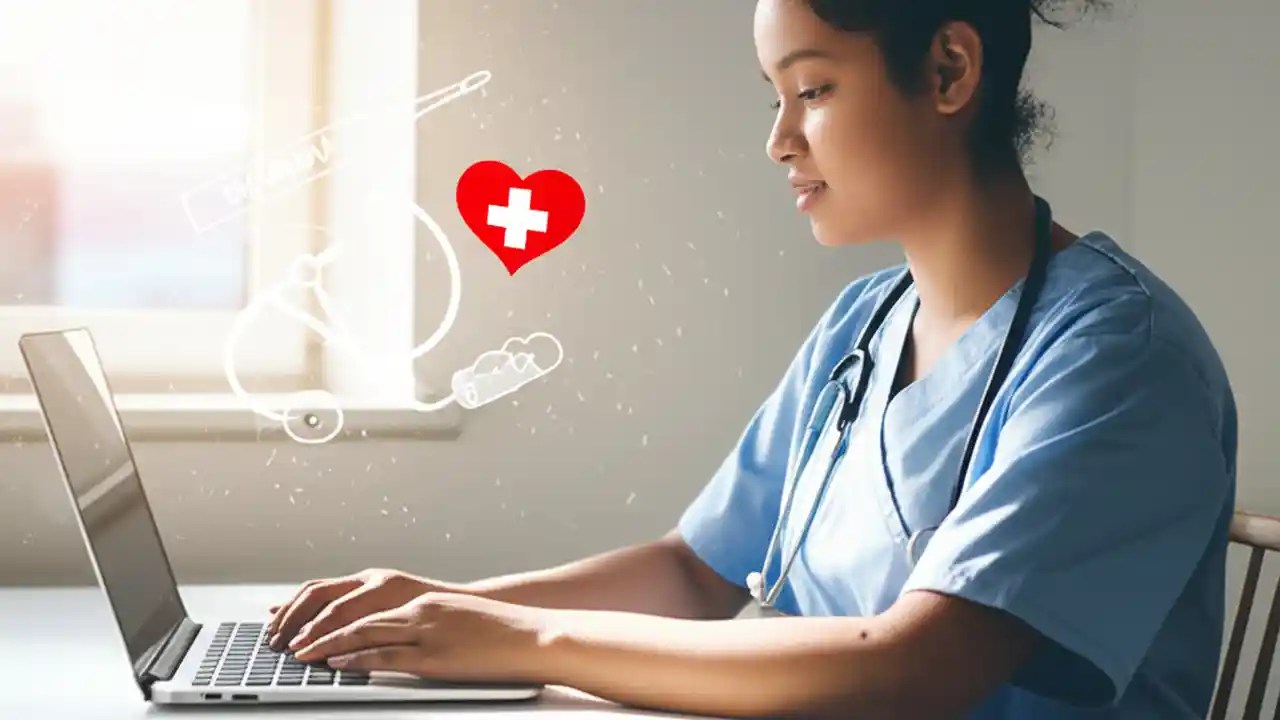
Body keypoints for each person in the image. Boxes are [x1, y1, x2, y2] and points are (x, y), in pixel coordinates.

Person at [265, 0, 1238, 717]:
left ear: (948, 71)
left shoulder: (1120, 358)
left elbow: (917, 667)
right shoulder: (864, 322)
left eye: (811, 91)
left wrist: (527, 639)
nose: (777, 141)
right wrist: (439, 608)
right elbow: (697, 572)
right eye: (773, 98)